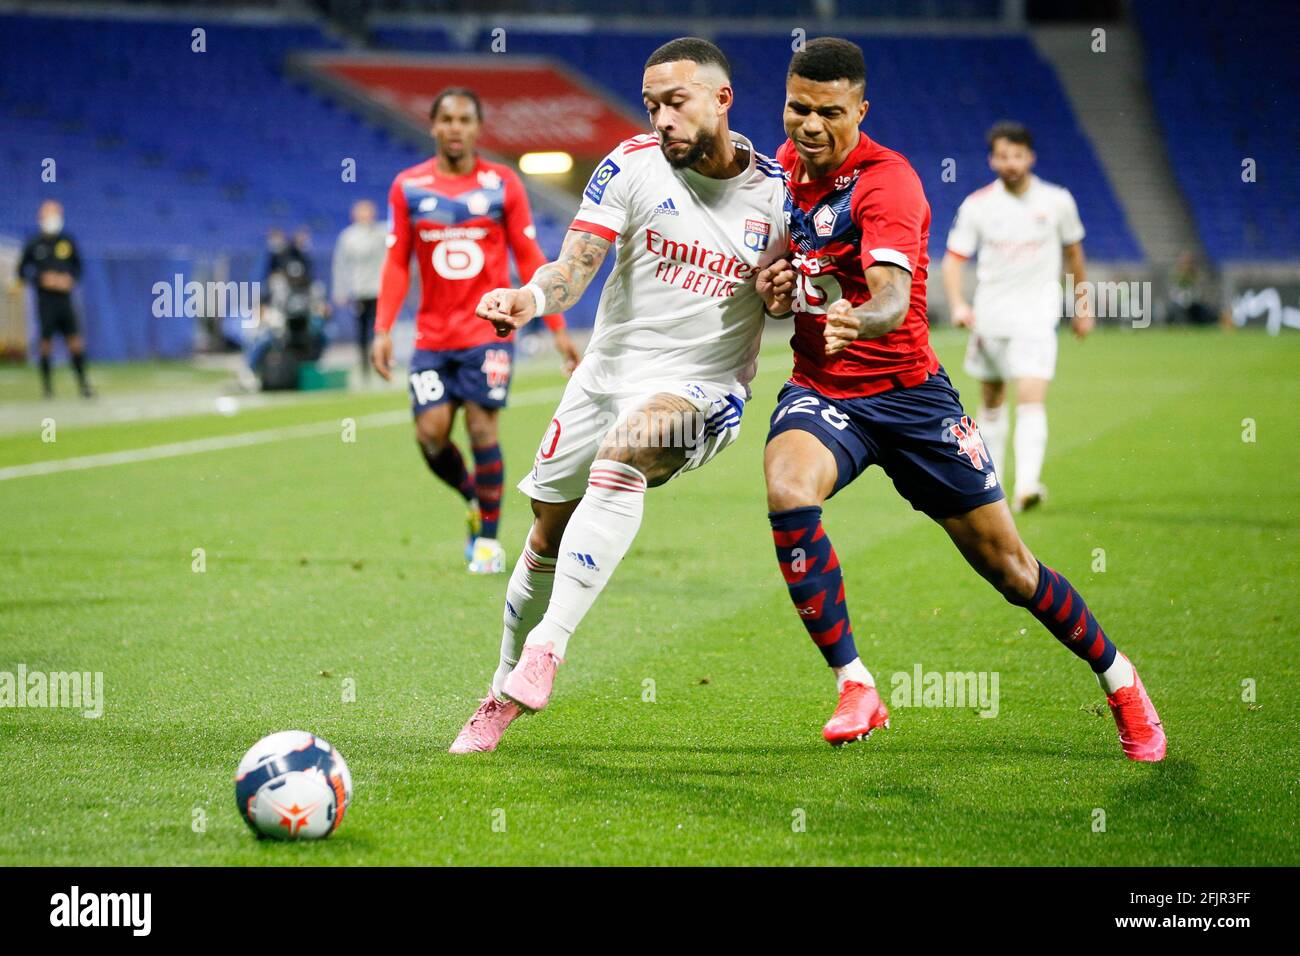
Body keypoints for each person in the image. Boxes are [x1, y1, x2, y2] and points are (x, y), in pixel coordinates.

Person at [762, 39, 1164, 760]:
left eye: (830, 112)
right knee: (789, 490)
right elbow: (782, 259)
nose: (810, 124)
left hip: (912, 400)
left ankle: (1120, 679)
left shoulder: (888, 183)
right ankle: (856, 685)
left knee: (1012, 570)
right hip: (824, 391)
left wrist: (862, 319)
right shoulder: (786, 167)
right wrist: (772, 281)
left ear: (861, 110)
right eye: (798, 108)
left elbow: (892, 298)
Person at [448, 37, 792, 753]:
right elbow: (574, 267)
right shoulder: (631, 165)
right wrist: (529, 298)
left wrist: (790, 292)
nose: (661, 119)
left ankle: (549, 644)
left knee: (629, 447)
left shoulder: (778, 193)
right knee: (546, 531)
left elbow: (805, 293)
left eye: (676, 102)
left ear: (721, 99)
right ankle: (499, 690)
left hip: (702, 384)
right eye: (651, 105)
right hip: (604, 376)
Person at [374, 87, 581, 575]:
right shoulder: (408, 186)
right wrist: (382, 328)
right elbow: (397, 262)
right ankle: (474, 498)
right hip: (431, 337)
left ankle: (487, 541)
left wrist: (556, 326)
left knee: (482, 428)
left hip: (490, 330)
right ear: (433, 125)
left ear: (477, 128)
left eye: (464, 119)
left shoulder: (502, 184)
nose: (455, 128)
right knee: (431, 435)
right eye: (446, 119)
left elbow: (528, 256)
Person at [942, 121, 1092, 511]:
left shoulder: (1057, 201)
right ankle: (993, 487)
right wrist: (958, 303)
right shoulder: (978, 205)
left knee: (1030, 397)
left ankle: (1026, 484)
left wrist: (1082, 304)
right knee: (992, 400)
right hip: (990, 318)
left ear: (1030, 157)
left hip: (1037, 317)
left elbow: (1074, 255)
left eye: (1017, 155)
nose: (1010, 163)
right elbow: (954, 259)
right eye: (1002, 156)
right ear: (992, 160)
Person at [16, 200, 93, 398]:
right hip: (45, 301)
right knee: (45, 343)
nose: (53, 218)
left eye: (56, 214)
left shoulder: (67, 241)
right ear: (40, 217)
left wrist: (69, 279)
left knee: (75, 341)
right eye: (49, 214)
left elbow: (78, 267)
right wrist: (42, 279)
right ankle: (47, 389)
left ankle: (84, 386)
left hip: (65, 300)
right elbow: (22, 271)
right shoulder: (34, 243)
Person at [331, 200, 386, 381]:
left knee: (382, 330)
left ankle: (383, 364)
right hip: (360, 291)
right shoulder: (348, 236)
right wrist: (340, 290)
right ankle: (365, 369)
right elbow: (340, 265)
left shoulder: (382, 232)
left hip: (380, 290)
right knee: (362, 332)